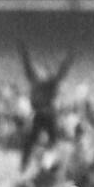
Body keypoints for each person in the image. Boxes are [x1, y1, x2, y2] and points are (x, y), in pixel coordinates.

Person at [19, 42, 75, 170]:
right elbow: (28, 67)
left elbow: (62, 71)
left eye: (45, 72)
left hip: (49, 116)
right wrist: (24, 53)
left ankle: (51, 165)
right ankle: (24, 164)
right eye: (42, 72)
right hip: (39, 116)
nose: (43, 74)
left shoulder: (51, 84)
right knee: (30, 140)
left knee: (53, 141)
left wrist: (69, 58)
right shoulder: (36, 82)